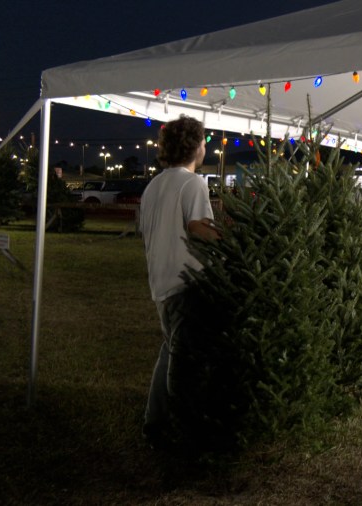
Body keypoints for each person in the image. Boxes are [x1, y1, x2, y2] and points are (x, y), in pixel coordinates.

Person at [139, 115, 219, 447]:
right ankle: (184, 431)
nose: (205, 147)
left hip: (159, 283)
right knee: (185, 362)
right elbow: (199, 227)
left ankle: (153, 421)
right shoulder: (193, 183)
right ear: (194, 145)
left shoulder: (153, 185)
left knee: (170, 351)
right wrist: (233, 239)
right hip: (185, 283)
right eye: (203, 141)